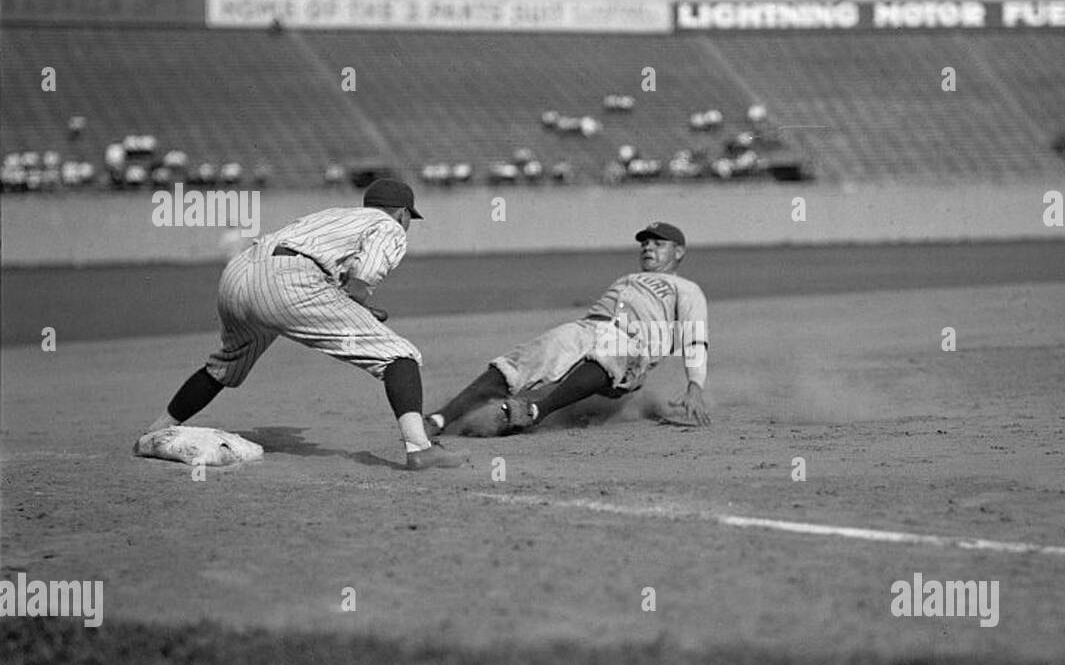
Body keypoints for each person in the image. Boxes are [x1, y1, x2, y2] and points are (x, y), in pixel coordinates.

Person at [141, 179, 465, 470]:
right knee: (399, 355)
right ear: (403, 213)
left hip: (239, 275)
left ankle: (154, 432)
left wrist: (353, 303)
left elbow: (341, 284)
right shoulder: (389, 225)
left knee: (225, 366)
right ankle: (419, 448)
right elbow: (362, 280)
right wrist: (361, 304)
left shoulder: (336, 217)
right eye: (409, 219)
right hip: (289, 282)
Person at [428, 222, 710, 436]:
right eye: (644, 243)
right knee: (524, 358)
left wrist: (695, 385)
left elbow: (695, 336)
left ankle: (537, 411)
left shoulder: (687, 289)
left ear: (679, 251)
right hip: (589, 327)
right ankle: (441, 418)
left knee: (613, 351)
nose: (647, 247)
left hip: (633, 346)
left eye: (658, 243)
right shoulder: (628, 278)